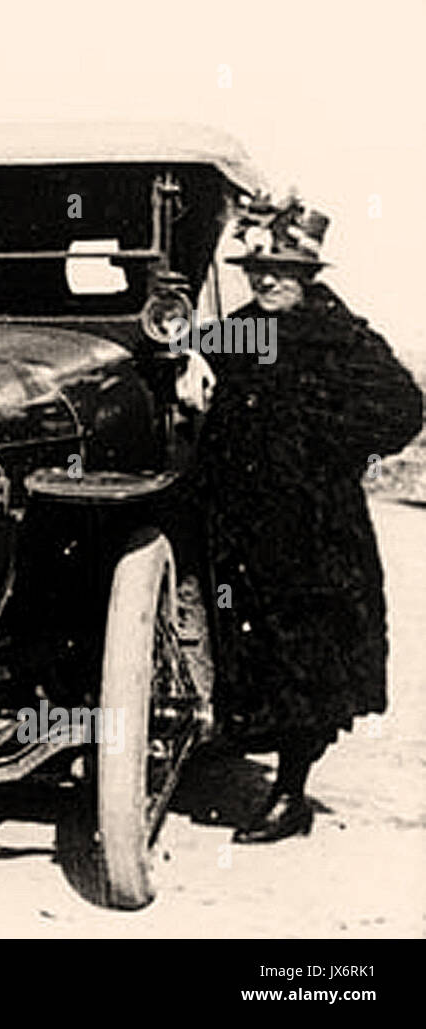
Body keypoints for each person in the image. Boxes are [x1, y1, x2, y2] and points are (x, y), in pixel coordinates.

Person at [192, 198, 422, 843]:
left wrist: (334, 456)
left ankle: (289, 795)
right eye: (258, 267)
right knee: (248, 645)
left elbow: (403, 412)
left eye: (282, 268)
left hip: (311, 531)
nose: (266, 279)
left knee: (305, 656)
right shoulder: (241, 329)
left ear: (309, 272)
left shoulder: (340, 336)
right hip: (236, 523)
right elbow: (186, 350)